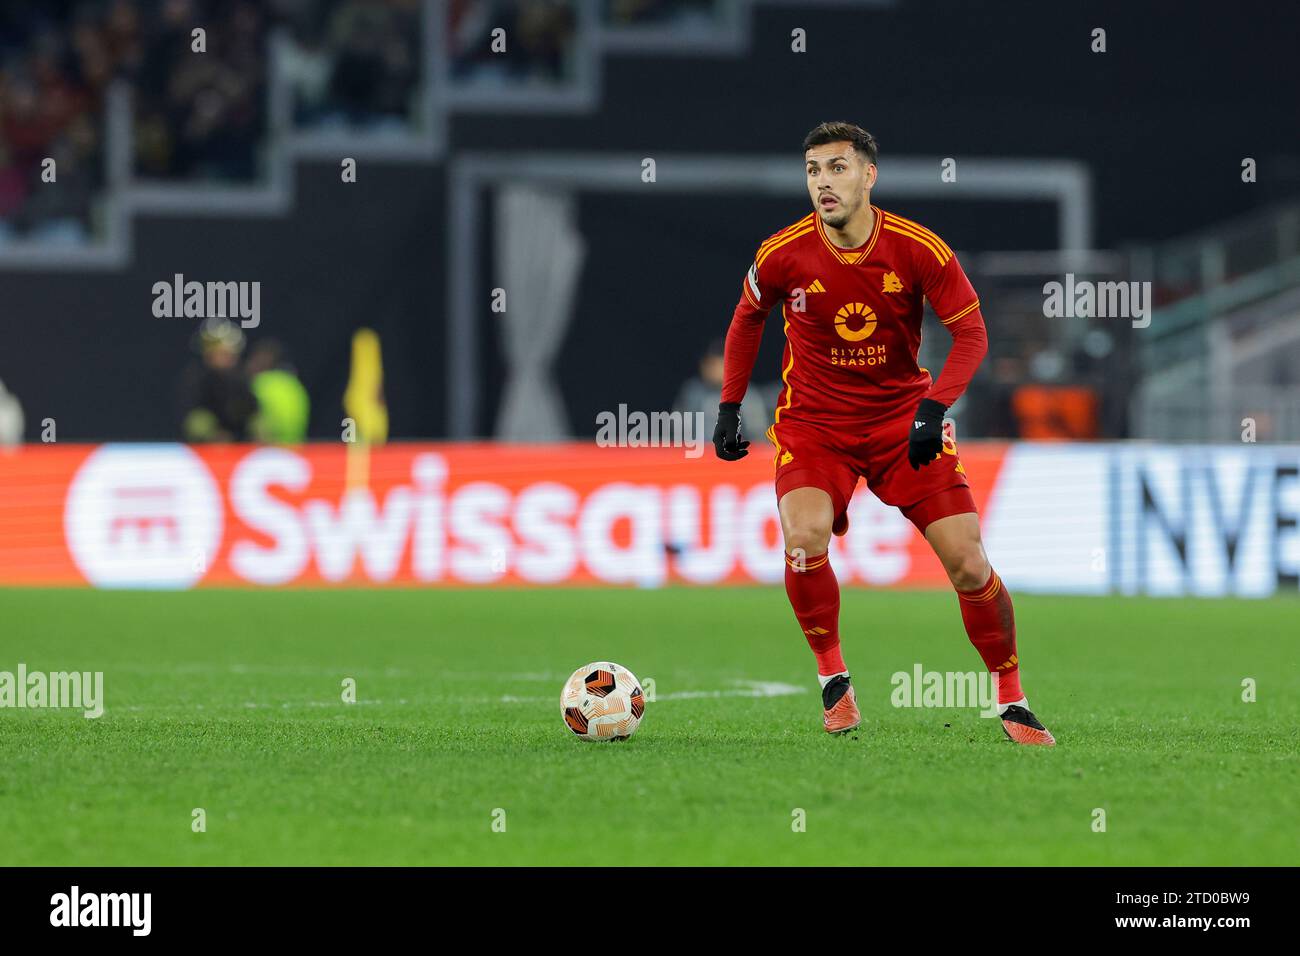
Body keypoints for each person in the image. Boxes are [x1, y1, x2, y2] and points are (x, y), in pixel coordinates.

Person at [712, 121, 1053, 745]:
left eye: (837, 168)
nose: (823, 183)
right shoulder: (782, 253)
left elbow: (972, 335)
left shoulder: (918, 248)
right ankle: (834, 681)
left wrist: (934, 408)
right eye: (813, 170)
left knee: (970, 564)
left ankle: (1012, 699)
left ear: (869, 175)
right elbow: (746, 319)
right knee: (803, 538)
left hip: (902, 424)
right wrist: (730, 407)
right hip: (815, 426)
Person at [672, 338, 767, 443]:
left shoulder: (746, 394)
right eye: (709, 364)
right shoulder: (693, 392)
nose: (712, 369)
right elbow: (677, 430)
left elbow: (758, 436)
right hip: (697, 454)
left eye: (717, 364)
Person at [179, 317, 258, 442]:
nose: (221, 358)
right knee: (199, 423)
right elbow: (192, 414)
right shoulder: (197, 377)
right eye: (217, 352)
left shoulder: (242, 378)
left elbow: (251, 411)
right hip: (211, 443)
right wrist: (216, 435)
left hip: (241, 438)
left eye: (226, 353)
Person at [246, 339, 310, 444]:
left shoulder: (260, 383)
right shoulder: (295, 384)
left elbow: (257, 422)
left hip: (269, 447)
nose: (250, 364)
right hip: (295, 447)